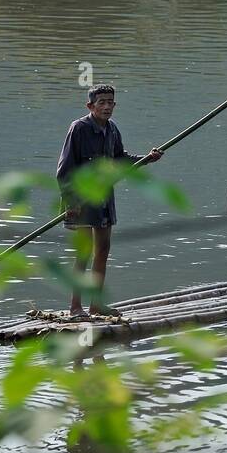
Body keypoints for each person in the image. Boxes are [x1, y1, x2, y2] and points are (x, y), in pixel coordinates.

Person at [56, 84, 164, 317]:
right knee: (83, 253)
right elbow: (64, 169)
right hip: (80, 200)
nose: (106, 106)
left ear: (115, 105)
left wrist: (146, 159)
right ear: (90, 106)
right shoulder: (79, 128)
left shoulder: (112, 129)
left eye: (110, 102)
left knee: (103, 249)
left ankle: (96, 305)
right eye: (101, 102)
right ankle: (76, 307)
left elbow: (119, 159)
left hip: (104, 197)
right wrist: (71, 201)